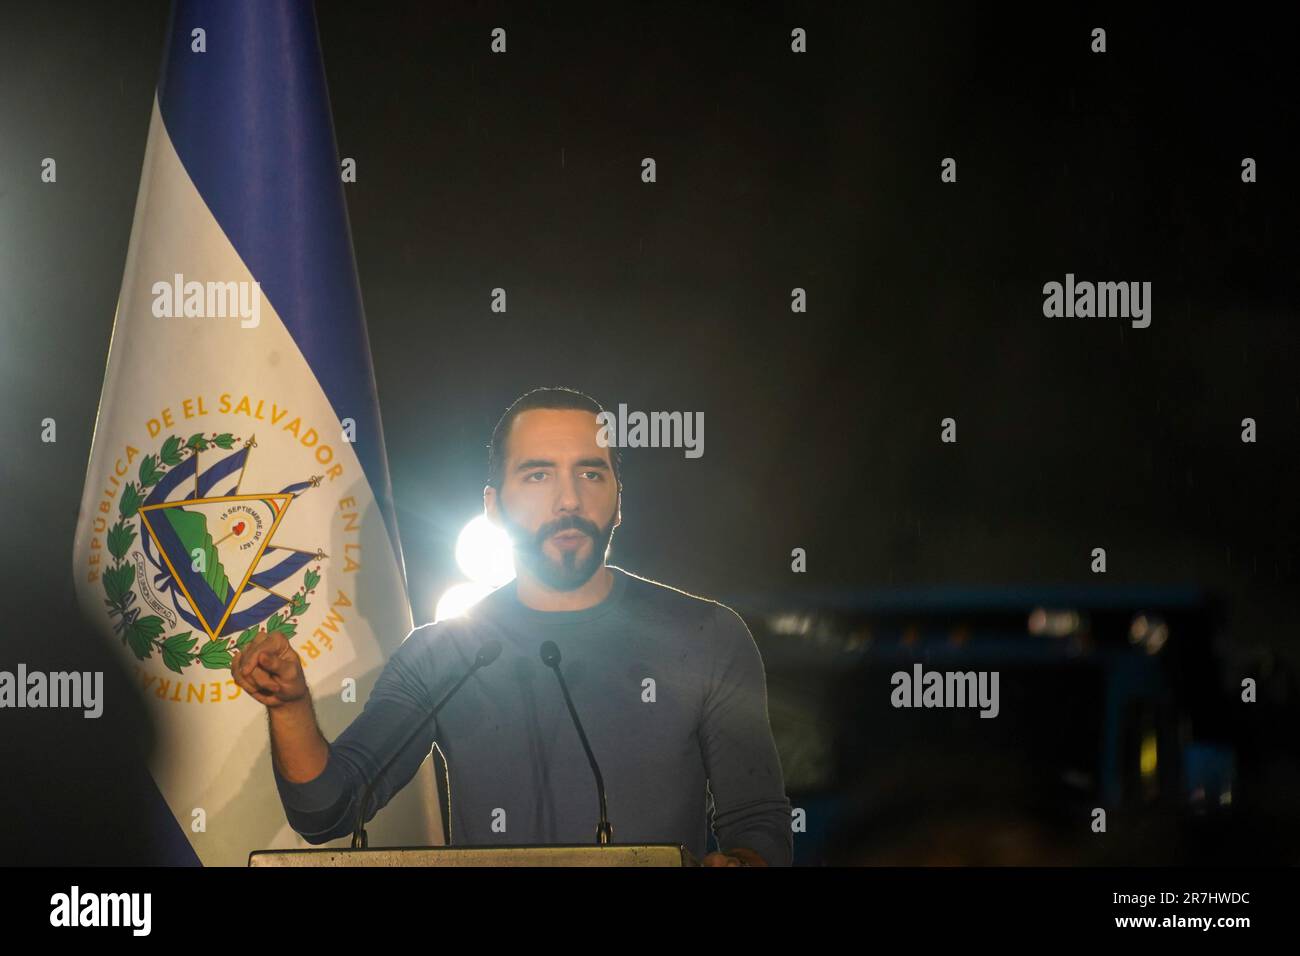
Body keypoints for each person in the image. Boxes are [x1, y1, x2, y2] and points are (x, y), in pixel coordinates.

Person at [232, 387, 792, 866]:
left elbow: (758, 822)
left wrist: (743, 860)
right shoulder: (445, 652)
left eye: (590, 473)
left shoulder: (707, 635)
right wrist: (290, 708)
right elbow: (329, 809)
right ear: (494, 507)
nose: (568, 499)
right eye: (538, 475)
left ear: (618, 499)